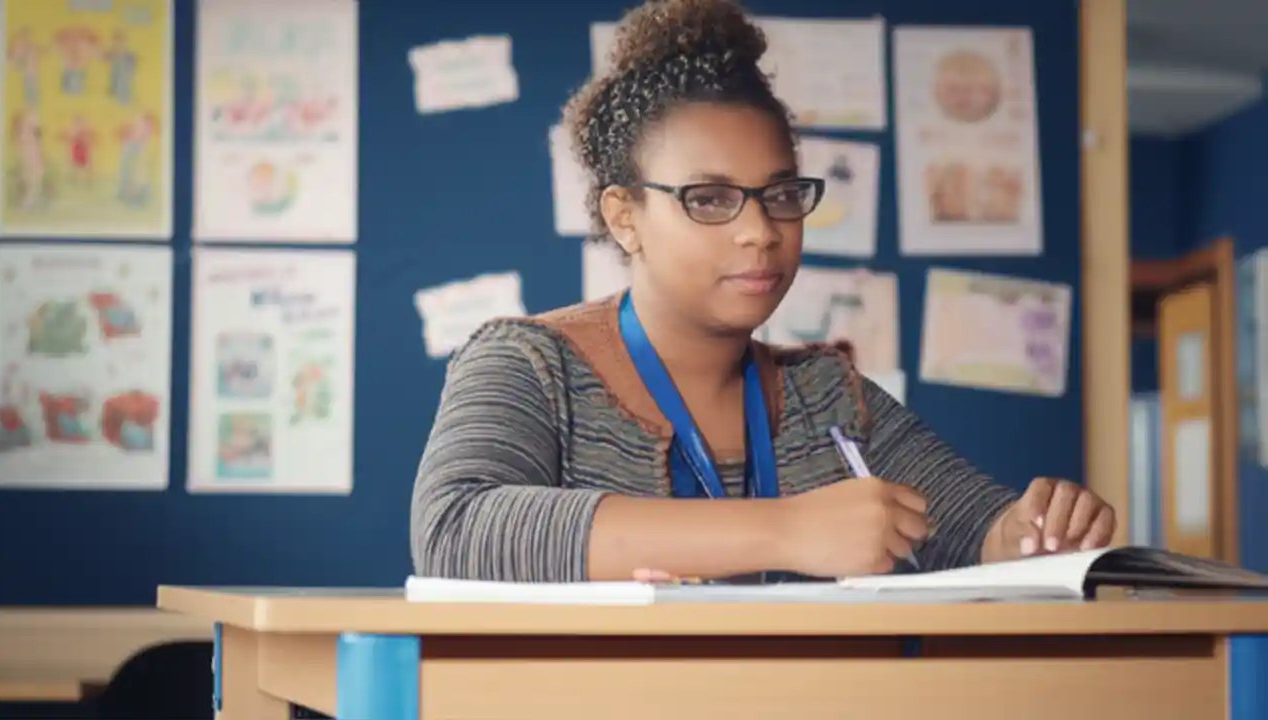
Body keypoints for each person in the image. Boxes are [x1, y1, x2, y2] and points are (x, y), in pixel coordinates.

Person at [410, 0, 1115, 583]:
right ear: (625, 217)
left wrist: (1033, 533)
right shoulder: (527, 366)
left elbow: (976, 532)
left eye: (779, 193)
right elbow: (455, 532)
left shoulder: (831, 398)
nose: (760, 231)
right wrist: (785, 531)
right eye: (710, 198)